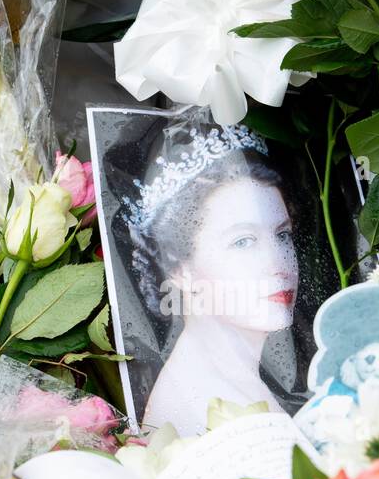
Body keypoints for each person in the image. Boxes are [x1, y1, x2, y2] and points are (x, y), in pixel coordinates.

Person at [125, 124, 299, 435]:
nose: (278, 264)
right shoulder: (203, 406)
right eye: (243, 241)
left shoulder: (230, 378)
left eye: (282, 235)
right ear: (180, 269)